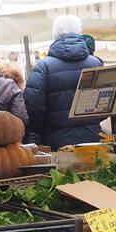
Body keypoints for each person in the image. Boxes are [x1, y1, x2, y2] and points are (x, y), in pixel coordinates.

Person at [25, 14, 105, 148]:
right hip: (93, 140)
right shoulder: (96, 63)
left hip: (56, 144)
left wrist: (32, 136)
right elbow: (106, 103)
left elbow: (33, 109)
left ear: (54, 36)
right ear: (80, 33)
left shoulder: (43, 67)